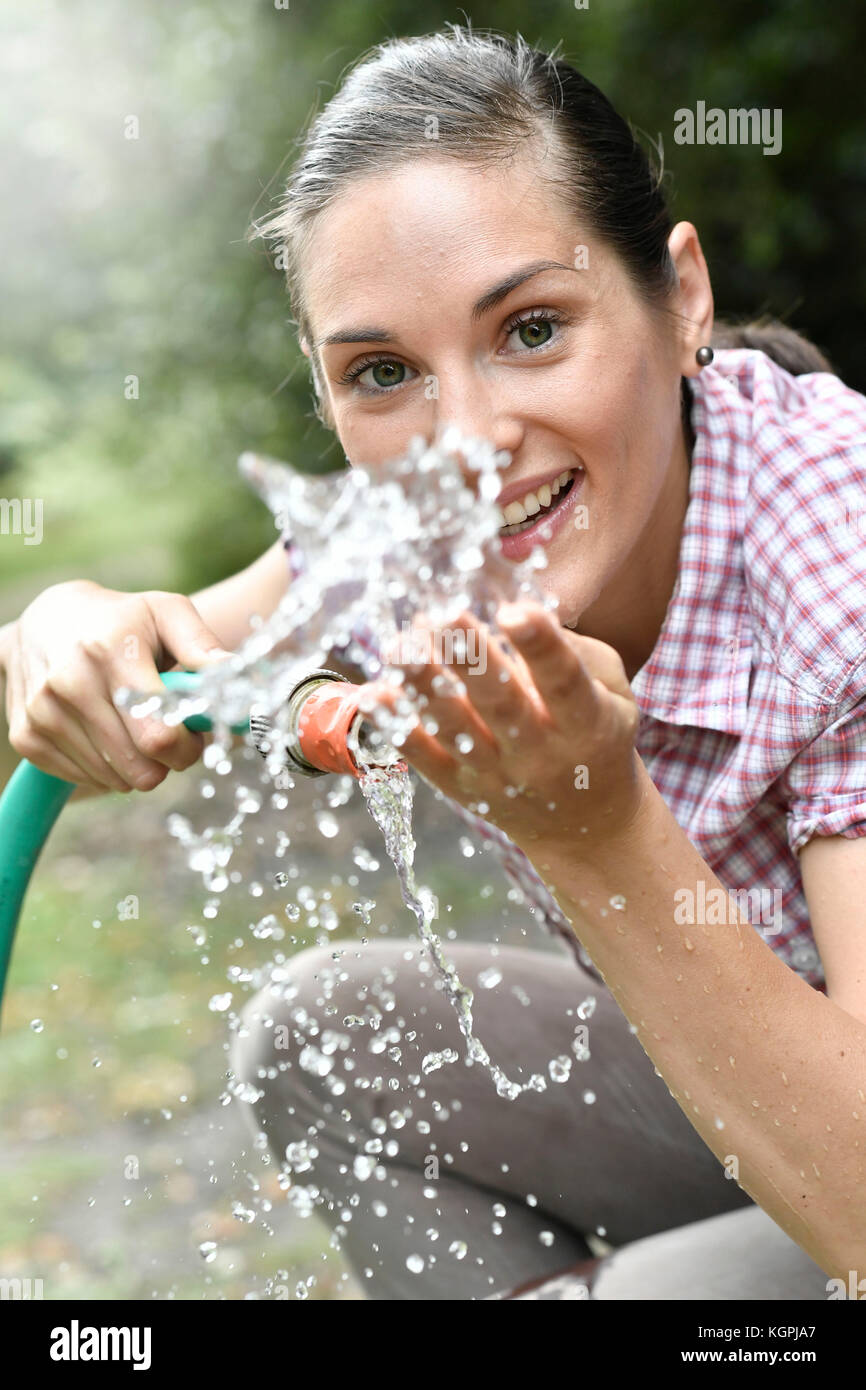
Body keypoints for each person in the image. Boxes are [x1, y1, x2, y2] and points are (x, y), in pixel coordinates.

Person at [2, 26, 864, 1301]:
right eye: (385, 372)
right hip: (718, 1075)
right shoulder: (398, 530)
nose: (464, 446)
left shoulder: (833, 548)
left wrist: (592, 828)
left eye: (529, 329)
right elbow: (160, 642)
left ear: (678, 297)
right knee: (318, 1035)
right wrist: (66, 623)